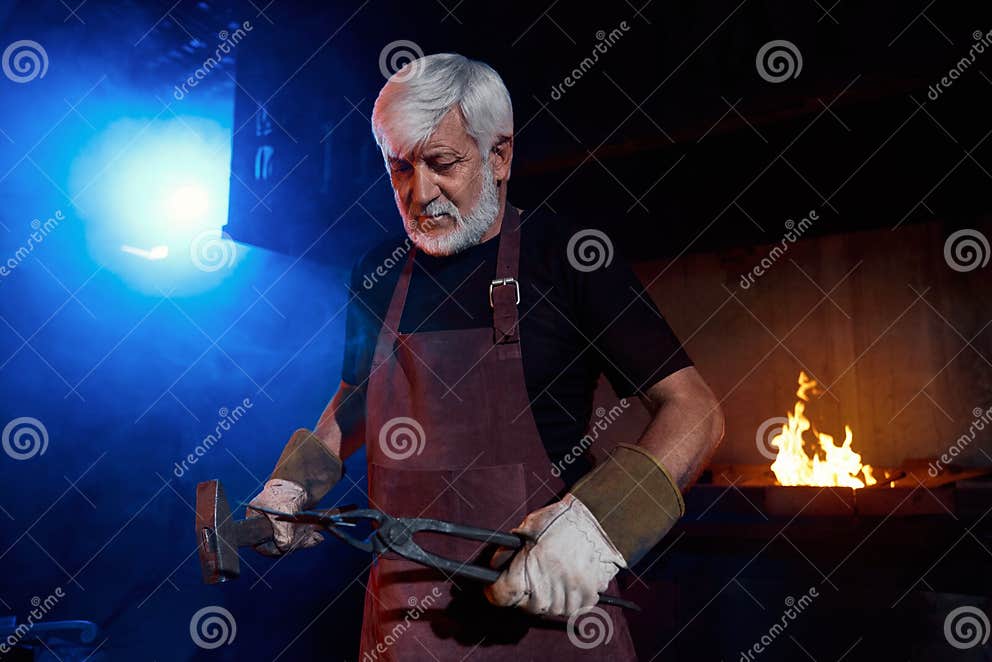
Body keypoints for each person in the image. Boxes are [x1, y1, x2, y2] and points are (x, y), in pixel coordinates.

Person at [248, 52, 725, 660]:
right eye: (399, 168)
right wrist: (291, 485)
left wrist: (601, 525)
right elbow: (357, 399)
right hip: (404, 631)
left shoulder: (567, 256)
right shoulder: (378, 273)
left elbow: (696, 409)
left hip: (545, 622)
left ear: (499, 156)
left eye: (442, 163)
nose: (420, 193)